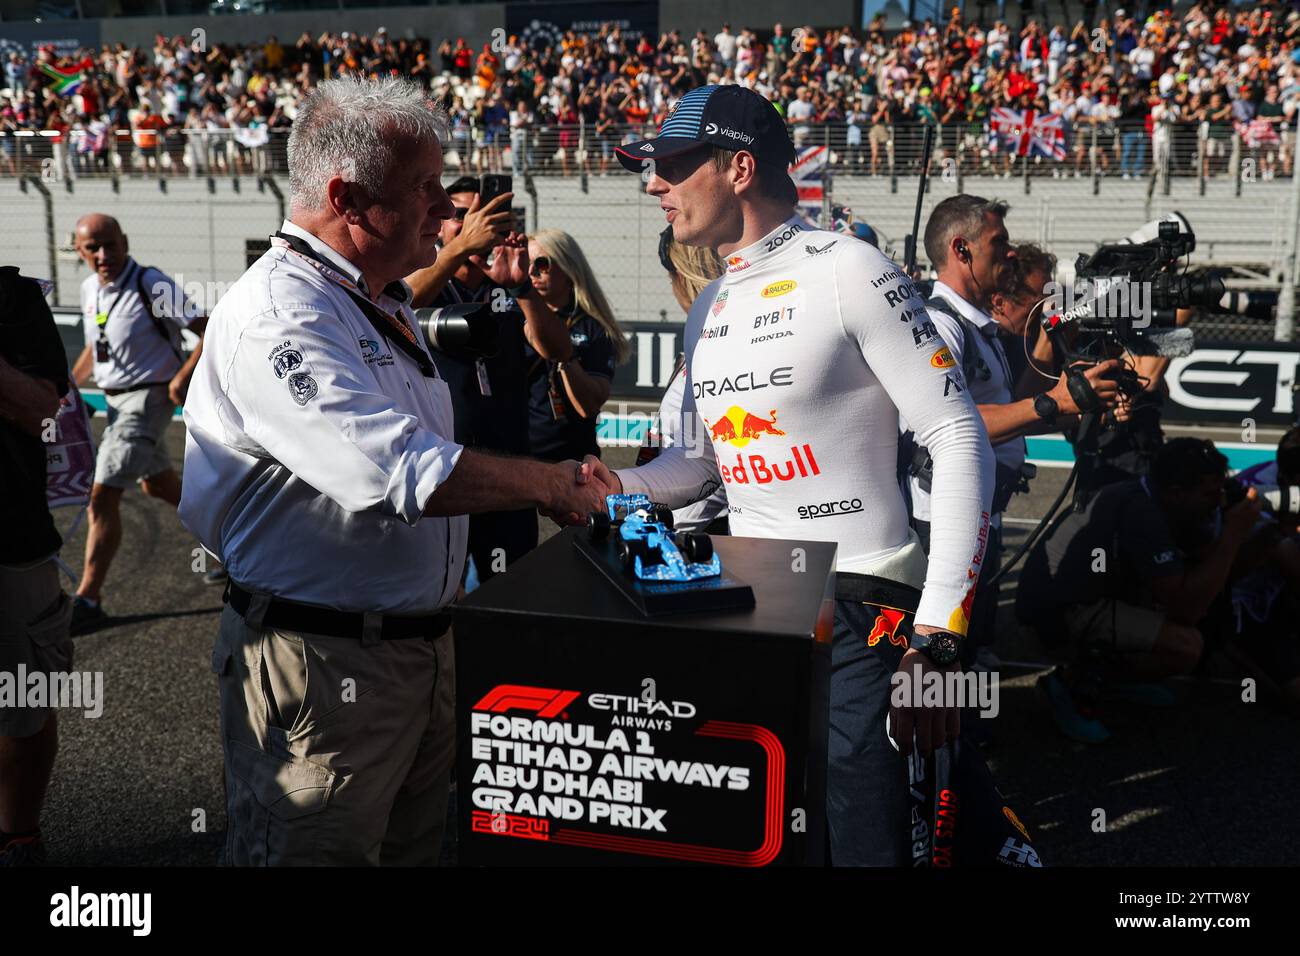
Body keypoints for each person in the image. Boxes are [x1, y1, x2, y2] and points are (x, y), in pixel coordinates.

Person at [177, 77, 607, 866]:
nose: (446, 211)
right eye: (426, 188)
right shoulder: (281, 309)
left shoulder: (372, 296)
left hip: (412, 653)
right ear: (348, 198)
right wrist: (552, 485)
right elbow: (393, 470)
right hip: (324, 666)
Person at [600, 84, 994, 865]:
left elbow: (958, 438)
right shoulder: (707, 300)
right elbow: (700, 466)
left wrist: (941, 634)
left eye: (672, 166)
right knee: (766, 841)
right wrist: (609, 488)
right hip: (751, 607)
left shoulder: (850, 268)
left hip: (863, 612)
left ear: (739, 168)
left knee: (863, 845)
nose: (654, 184)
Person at [907, 208, 1122, 668]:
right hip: (940, 521)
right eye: (998, 240)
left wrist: (1077, 398)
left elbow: (1013, 410)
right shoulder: (939, 323)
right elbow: (946, 424)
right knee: (942, 657)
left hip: (983, 512)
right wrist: (1053, 403)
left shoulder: (976, 327)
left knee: (972, 647)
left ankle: (963, 734)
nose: (1009, 251)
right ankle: (936, 739)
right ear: (960, 249)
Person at [1017, 438, 1265, 743]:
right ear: (1176, 492)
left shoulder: (1156, 496)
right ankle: (1073, 683)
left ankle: (1109, 674)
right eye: (1210, 494)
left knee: (1193, 608)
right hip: (1057, 614)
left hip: (1090, 596)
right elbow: (1187, 605)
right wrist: (1233, 534)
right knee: (1186, 646)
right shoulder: (1141, 513)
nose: (1218, 500)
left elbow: (1204, 562)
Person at [403, 175, 550, 586]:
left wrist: (522, 287)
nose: (471, 223)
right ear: (440, 224)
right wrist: (461, 248)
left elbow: (556, 349)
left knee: (509, 605)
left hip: (507, 477)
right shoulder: (421, 280)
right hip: (440, 477)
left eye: (482, 215)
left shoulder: (506, 280)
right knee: (436, 605)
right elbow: (394, 306)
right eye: (460, 215)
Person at [68, 214, 209, 631]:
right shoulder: (90, 289)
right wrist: (67, 392)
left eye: (110, 244)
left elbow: (209, 328)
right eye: (92, 248)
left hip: (148, 398)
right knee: (158, 485)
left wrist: (184, 376)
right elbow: (96, 350)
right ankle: (229, 539)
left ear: (125, 241)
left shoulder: (152, 283)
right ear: (80, 252)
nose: (103, 255)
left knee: (102, 494)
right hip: (114, 403)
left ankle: (89, 599)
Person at [0, 267, 73, 866]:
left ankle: (19, 833)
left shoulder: (12, 298)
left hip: (11, 537)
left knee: (25, 695)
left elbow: (43, 409)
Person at [636, 225, 728, 533]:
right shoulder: (700, 334)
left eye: (671, 275)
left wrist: (674, 528)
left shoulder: (720, 339)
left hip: (698, 533)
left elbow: (719, 460)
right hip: (680, 519)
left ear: (683, 274)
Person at [523, 228, 628, 464]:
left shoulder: (593, 327)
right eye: (526, 263)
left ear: (568, 267)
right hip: (517, 456)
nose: (531, 272)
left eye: (542, 264)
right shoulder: (513, 318)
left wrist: (565, 358)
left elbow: (589, 406)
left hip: (572, 459)